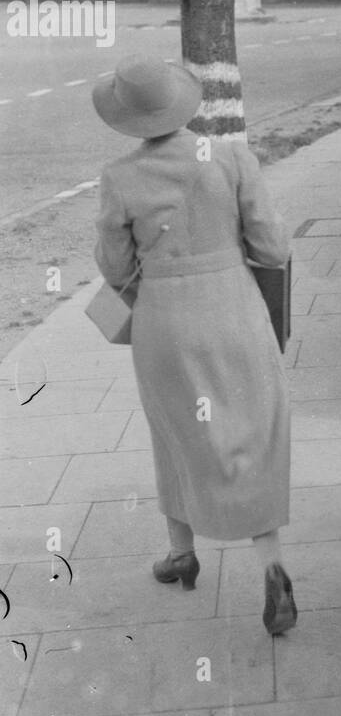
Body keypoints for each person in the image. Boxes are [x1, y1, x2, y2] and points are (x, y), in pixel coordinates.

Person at [92, 56, 297, 636]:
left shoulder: (119, 178)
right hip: (235, 313)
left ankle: (181, 553)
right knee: (250, 435)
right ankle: (273, 566)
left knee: (176, 431)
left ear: (127, 119)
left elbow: (114, 266)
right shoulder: (231, 157)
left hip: (165, 325)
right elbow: (274, 249)